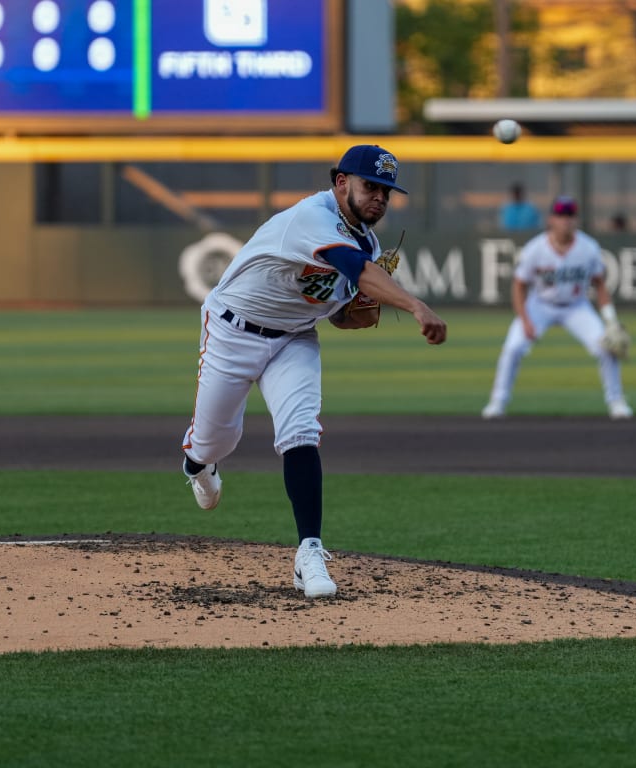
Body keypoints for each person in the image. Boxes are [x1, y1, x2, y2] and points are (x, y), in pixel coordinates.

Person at [179, 144, 448, 599]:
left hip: (295, 338)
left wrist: (354, 312)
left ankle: (309, 551)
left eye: (386, 191)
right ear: (340, 182)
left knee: (300, 432)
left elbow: (339, 313)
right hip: (232, 331)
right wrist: (415, 305)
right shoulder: (313, 217)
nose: (379, 198)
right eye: (370, 187)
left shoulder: (368, 243)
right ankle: (197, 463)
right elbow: (355, 270)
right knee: (216, 440)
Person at [481, 195, 631, 421]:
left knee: (606, 347)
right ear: (551, 219)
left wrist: (610, 320)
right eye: (561, 215)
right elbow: (519, 286)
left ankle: (617, 401)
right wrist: (525, 320)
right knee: (513, 348)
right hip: (540, 304)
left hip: (576, 306)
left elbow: (599, 284)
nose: (565, 220)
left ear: (576, 219)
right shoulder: (535, 249)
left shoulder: (588, 248)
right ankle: (497, 402)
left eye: (570, 215)